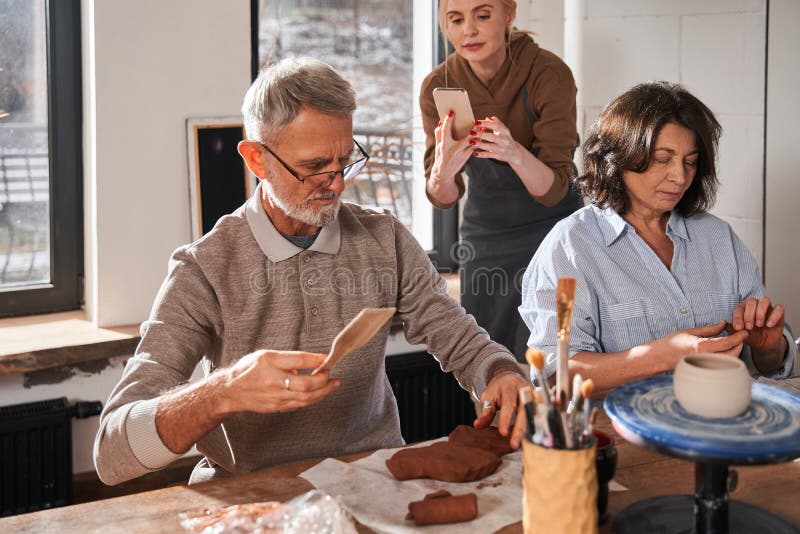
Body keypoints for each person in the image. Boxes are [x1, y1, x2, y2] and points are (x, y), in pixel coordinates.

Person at [93, 58, 531, 486]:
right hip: (253, 499)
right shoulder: (203, 268)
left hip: (376, 482)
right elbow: (111, 455)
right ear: (256, 160)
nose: (338, 183)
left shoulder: (386, 239)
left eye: (345, 160)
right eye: (314, 167)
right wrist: (222, 392)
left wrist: (499, 373)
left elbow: (456, 336)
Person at [519, 81, 798, 397]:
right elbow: (555, 376)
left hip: (727, 430)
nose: (680, 177)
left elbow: (769, 365)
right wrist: (658, 357)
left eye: (690, 162)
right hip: (626, 438)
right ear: (619, 156)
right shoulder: (570, 248)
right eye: (663, 158)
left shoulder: (719, 239)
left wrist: (768, 349)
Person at [420, 0, 583, 362]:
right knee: (487, 355)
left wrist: (513, 152)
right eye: (456, 19)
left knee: (556, 350)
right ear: (444, 26)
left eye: (482, 15)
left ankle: (549, 420)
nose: (469, 31)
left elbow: (555, 188)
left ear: (508, 15)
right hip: (487, 233)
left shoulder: (549, 73)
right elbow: (442, 197)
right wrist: (443, 169)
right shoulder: (439, 84)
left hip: (555, 230)